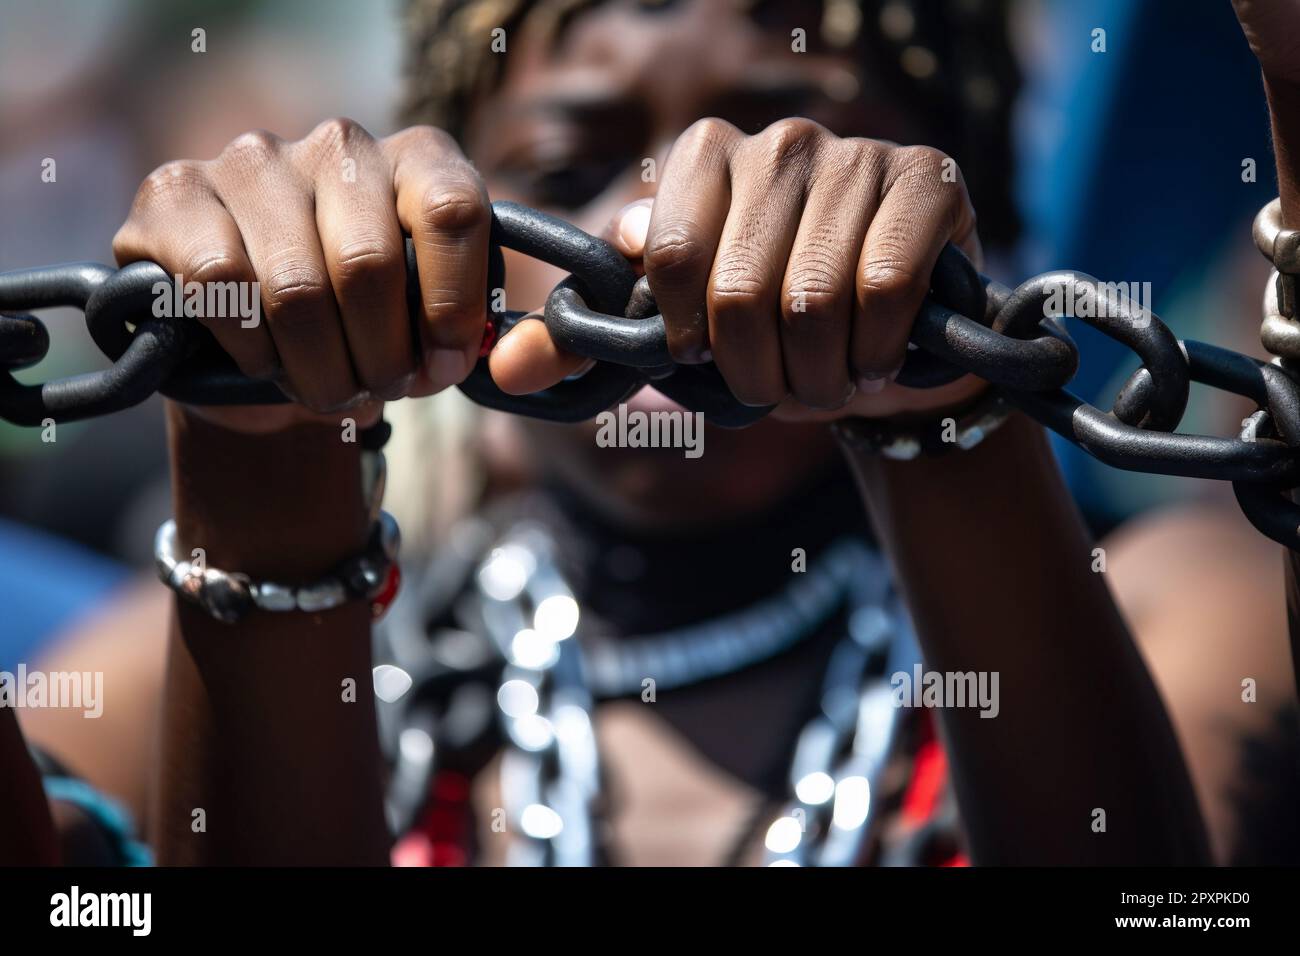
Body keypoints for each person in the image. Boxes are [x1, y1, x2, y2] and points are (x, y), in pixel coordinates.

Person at [12, 0, 1298, 865]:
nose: (659, 241)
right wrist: (256, 453)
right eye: (570, 173)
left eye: (791, 153)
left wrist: (940, 416)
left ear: (967, 209)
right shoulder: (150, 674)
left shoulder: (1182, 609)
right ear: (433, 225)